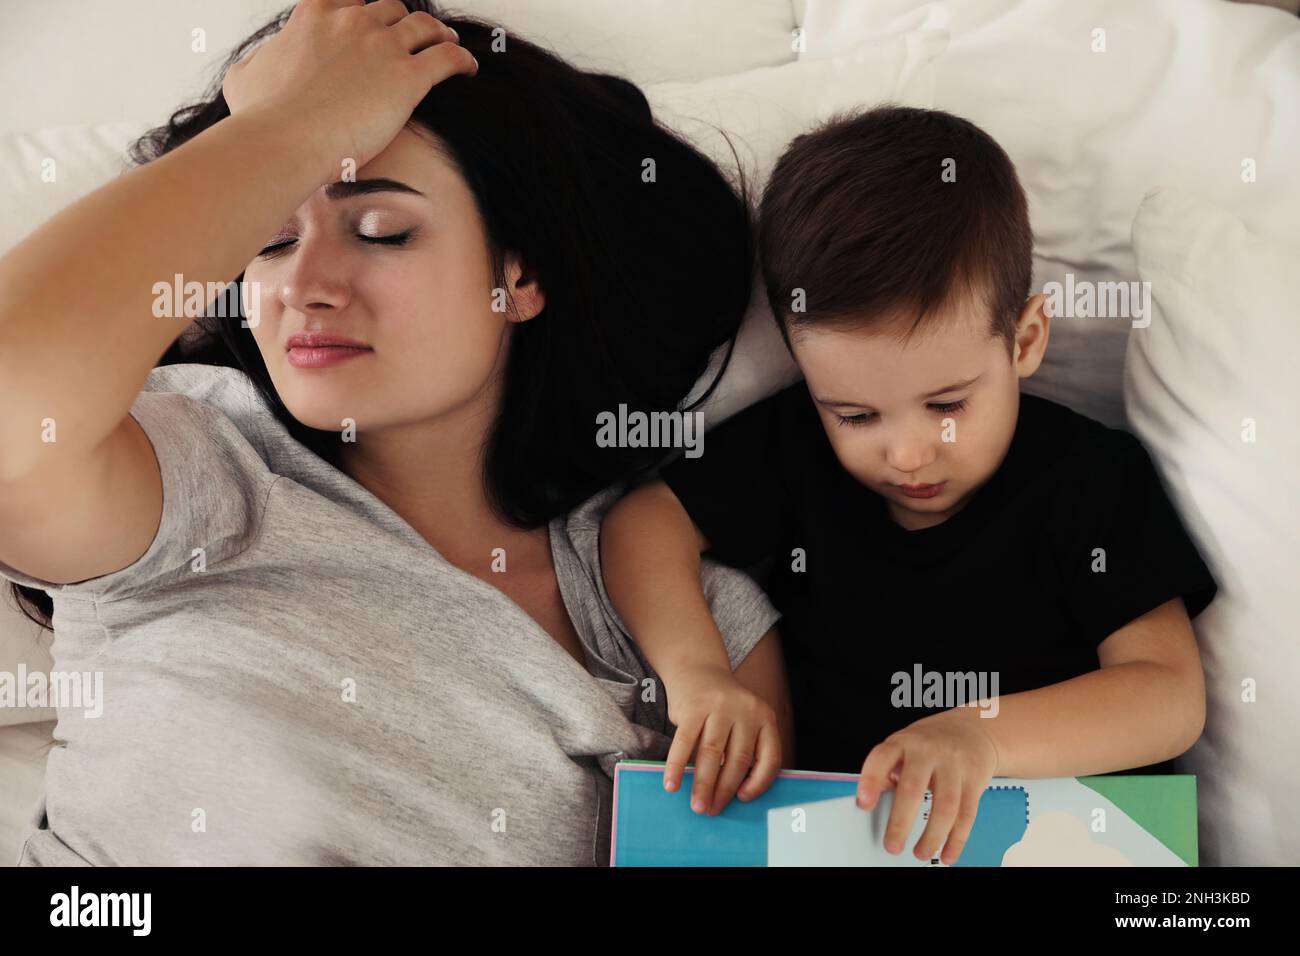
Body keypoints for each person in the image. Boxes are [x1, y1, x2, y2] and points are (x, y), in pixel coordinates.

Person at [0, 0, 792, 865]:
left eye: (381, 229)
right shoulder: (199, 475)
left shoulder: (681, 614)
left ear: (520, 274)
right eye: (268, 241)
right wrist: (287, 126)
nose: (306, 284)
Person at [599, 106, 1217, 866]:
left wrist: (980, 736)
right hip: (852, 838)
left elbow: (1167, 697)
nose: (909, 454)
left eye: (949, 405)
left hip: (1075, 835)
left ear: (1024, 340)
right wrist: (698, 676)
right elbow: (642, 523)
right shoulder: (794, 449)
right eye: (855, 413)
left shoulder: (1090, 478)